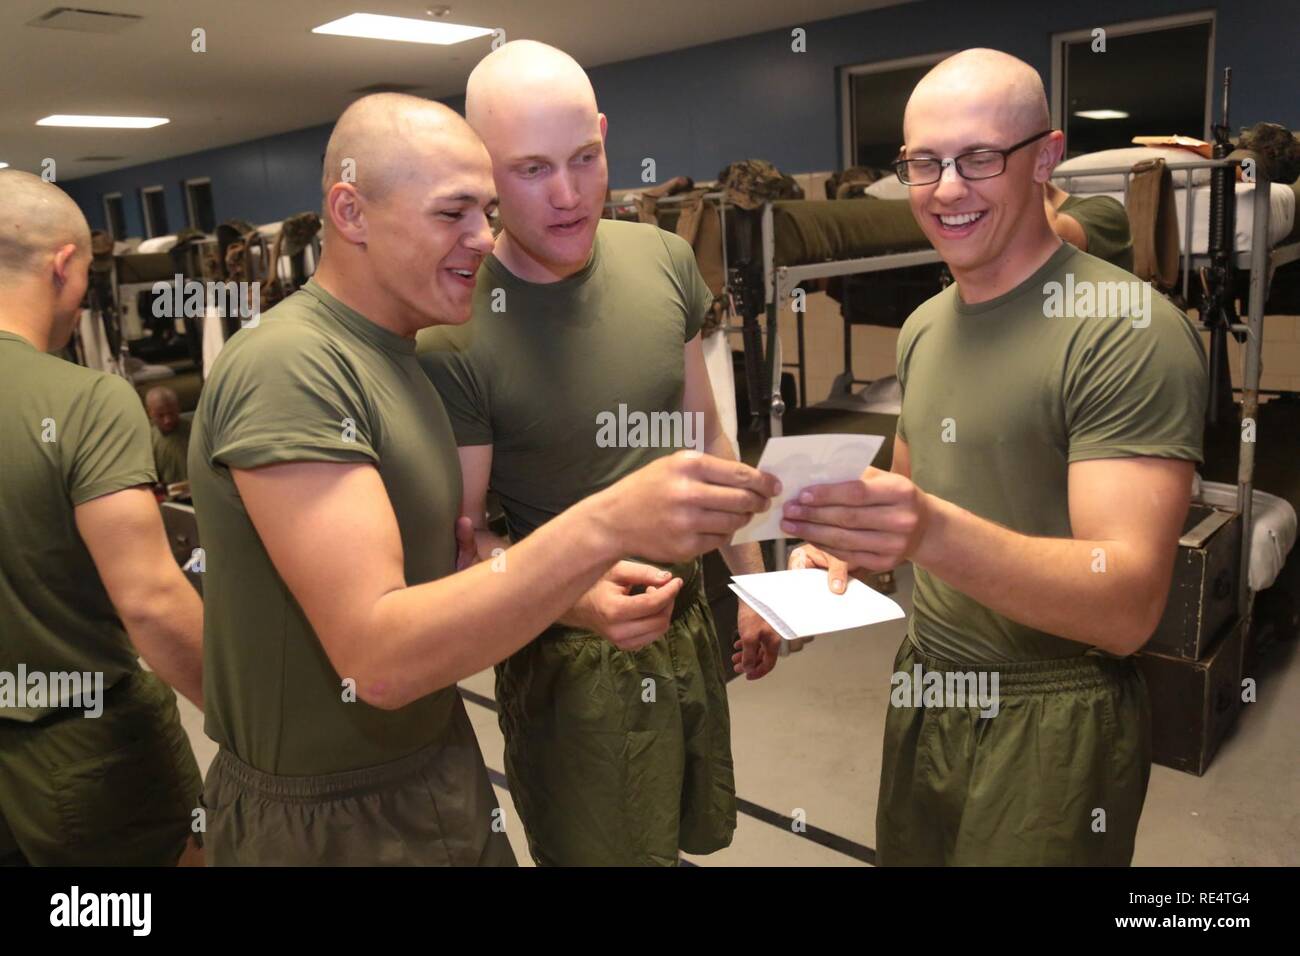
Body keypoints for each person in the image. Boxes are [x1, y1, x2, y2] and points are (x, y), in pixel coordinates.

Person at [188, 93, 778, 866]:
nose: (484, 238)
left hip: (432, 761)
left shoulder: (401, 353)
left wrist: (572, 595)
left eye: (488, 211)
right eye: (453, 214)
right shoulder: (290, 368)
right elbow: (379, 659)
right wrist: (600, 528)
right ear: (351, 211)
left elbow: (453, 561)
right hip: (326, 812)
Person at [783, 49, 1208, 865]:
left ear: (1045, 158)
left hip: (1053, 718)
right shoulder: (923, 328)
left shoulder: (1125, 331)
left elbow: (1124, 610)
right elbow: (910, 498)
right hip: (927, 688)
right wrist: (825, 563)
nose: (946, 189)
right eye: (922, 163)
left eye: (978, 158)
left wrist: (925, 531)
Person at [419, 40, 783, 867]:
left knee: (682, 837)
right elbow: (464, 546)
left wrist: (759, 583)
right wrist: (575, 600)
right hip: (568, 662)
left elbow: (707, 440)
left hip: (688, 623)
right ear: (482, 172)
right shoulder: (458, 326)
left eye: (587, 158)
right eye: (532, 169)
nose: (569, 194)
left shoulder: (662, 259)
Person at [0, 170, 204, 866]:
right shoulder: (88, 402)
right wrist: (262, 729)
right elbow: (150, 601)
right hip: (90, 759)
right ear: (63, 264)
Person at [145, 385, 190, 485]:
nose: (167, 420)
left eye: (171, 413)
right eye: (160, 415)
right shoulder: (147, 442)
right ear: (150, 413)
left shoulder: (195, 432)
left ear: (178, 408)